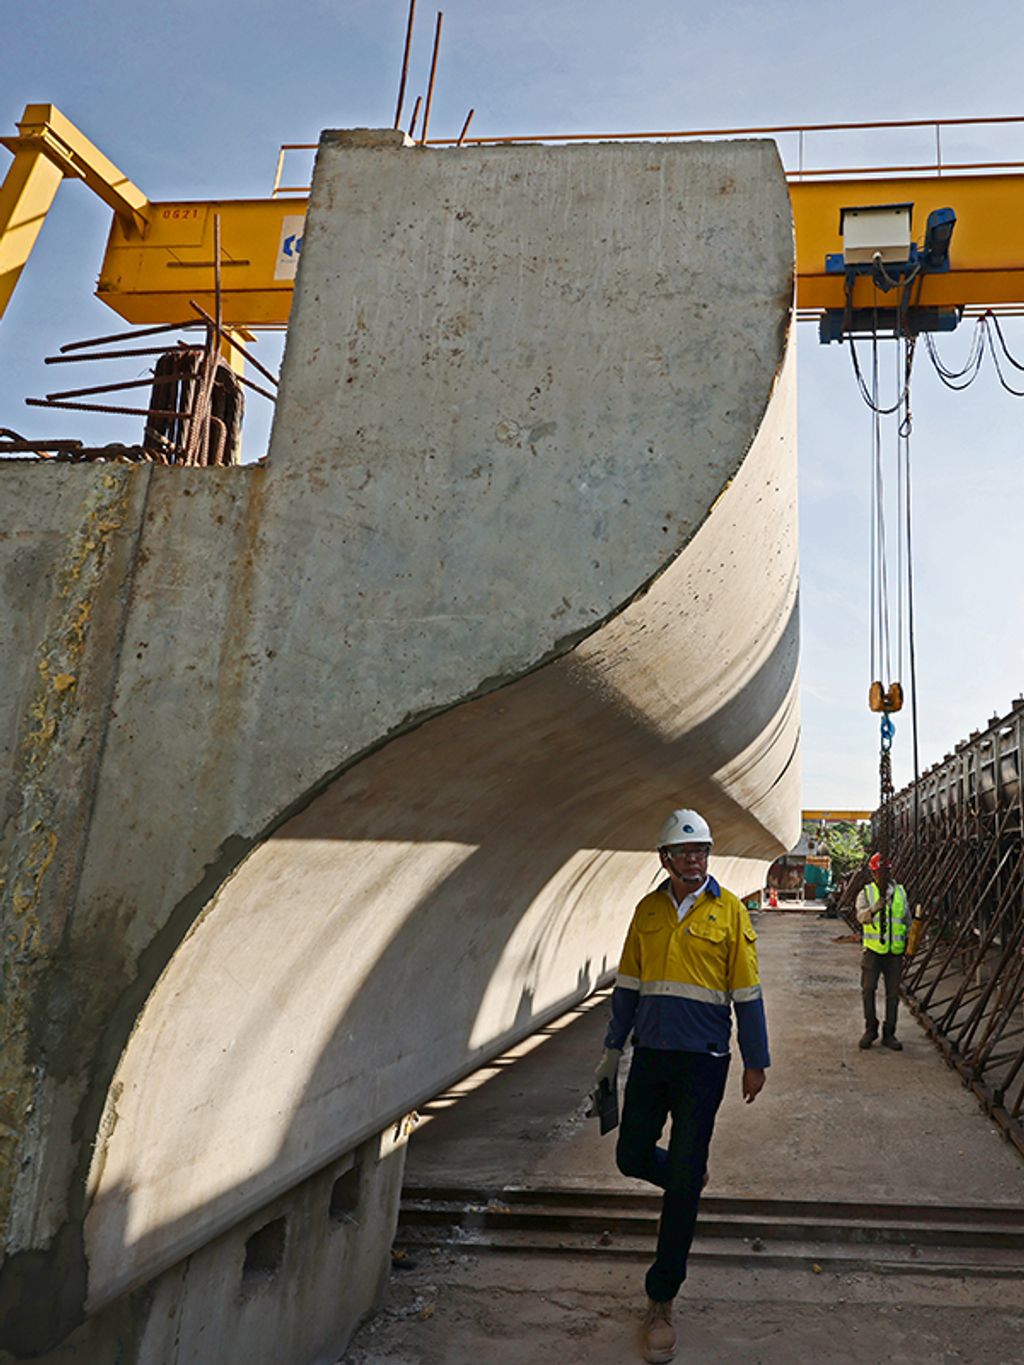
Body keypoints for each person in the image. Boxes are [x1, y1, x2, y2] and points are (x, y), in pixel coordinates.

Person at [593, 809, 769, 1364]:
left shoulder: (730, 910)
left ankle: (661, 1298)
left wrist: (755, 1060)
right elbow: (628, 986)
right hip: (652, 1056)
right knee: (631, 1156)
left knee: (682, 1183)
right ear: (664, 858)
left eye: (701, 851)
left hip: (704, 1062)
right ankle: (687, 1175)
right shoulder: (646, 911)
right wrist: (611, 1051)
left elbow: (748, 991)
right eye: (684, 852)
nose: (694, 861)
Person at [856, 851, 909, 1051]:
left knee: (893, 994)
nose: (882, 876)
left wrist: (910, 944)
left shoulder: (900, 893)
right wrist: (874, 909)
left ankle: (889, 1033)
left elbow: (907, 920)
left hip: (894, 952)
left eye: (885, 872)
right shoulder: (866, 893)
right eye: (879, 872)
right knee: (868, 989)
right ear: (873, 873)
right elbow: (861, 917)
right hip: (873, 951)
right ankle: (871, 1029)